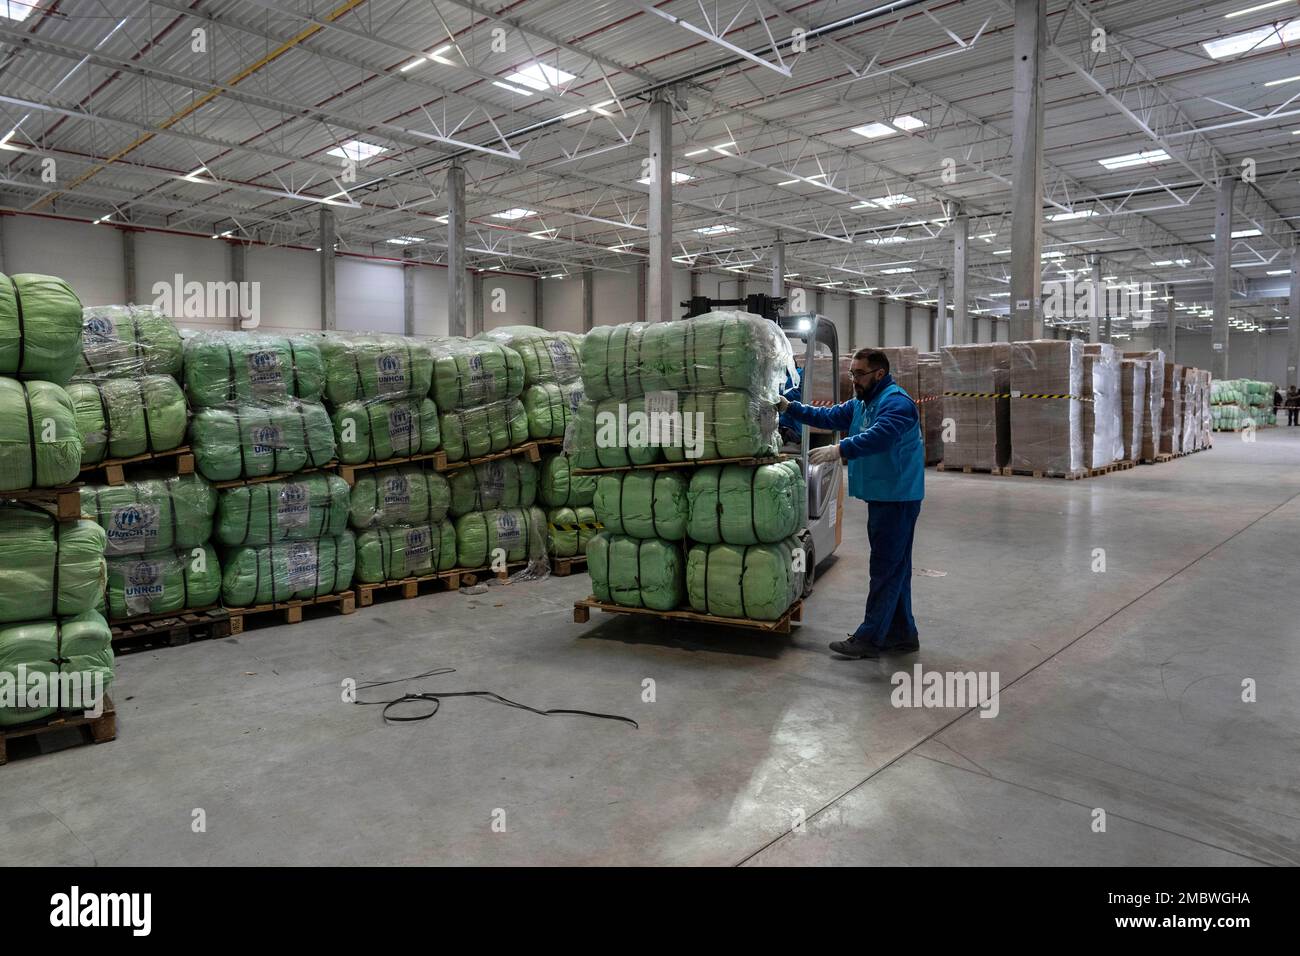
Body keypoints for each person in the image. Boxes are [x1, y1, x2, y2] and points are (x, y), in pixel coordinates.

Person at [776, 348, 925, 659]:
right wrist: (791, 408)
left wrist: (839, 450)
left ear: (879, 374)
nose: (853, 379)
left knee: (885, 568)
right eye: (852, 373)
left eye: (859, 374)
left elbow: (879, 437)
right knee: (896, 567)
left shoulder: (897, 403)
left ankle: (869, 639)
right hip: (884, 495)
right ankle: (903, 634)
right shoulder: (863, 403)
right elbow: (828, 416)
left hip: (897, 498)